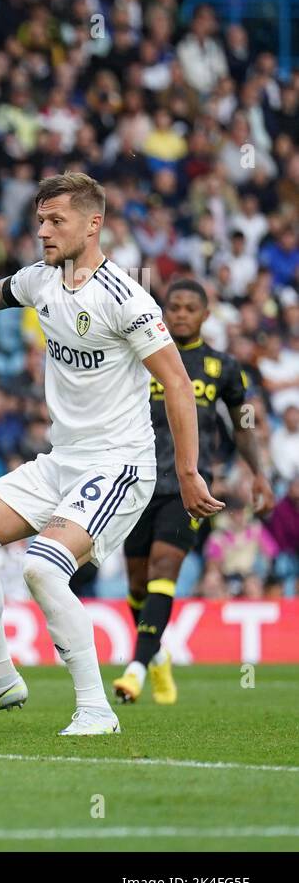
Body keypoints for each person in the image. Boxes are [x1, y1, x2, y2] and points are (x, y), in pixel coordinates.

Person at [0, 172, 222, 736]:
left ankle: (96, 709)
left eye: (56, 220)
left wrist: (186, 472)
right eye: (40, 220)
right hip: (64, 460)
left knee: (40, 567)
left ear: (93, 224)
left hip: (119, 464)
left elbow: (178, 384)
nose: (43, 231)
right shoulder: (40, 282)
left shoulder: (126, 299)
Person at [115, 278, 273, 705]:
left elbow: (243, 427)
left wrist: (258, 472)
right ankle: (157, 658)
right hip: (135, 482)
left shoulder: (223, 368)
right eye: (175, 307)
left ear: (206, 315)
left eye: (190, 308)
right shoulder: (139, 357)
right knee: (136, 584)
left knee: (164, 568)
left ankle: (134, 671)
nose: (181, 314)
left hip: (188, 487)